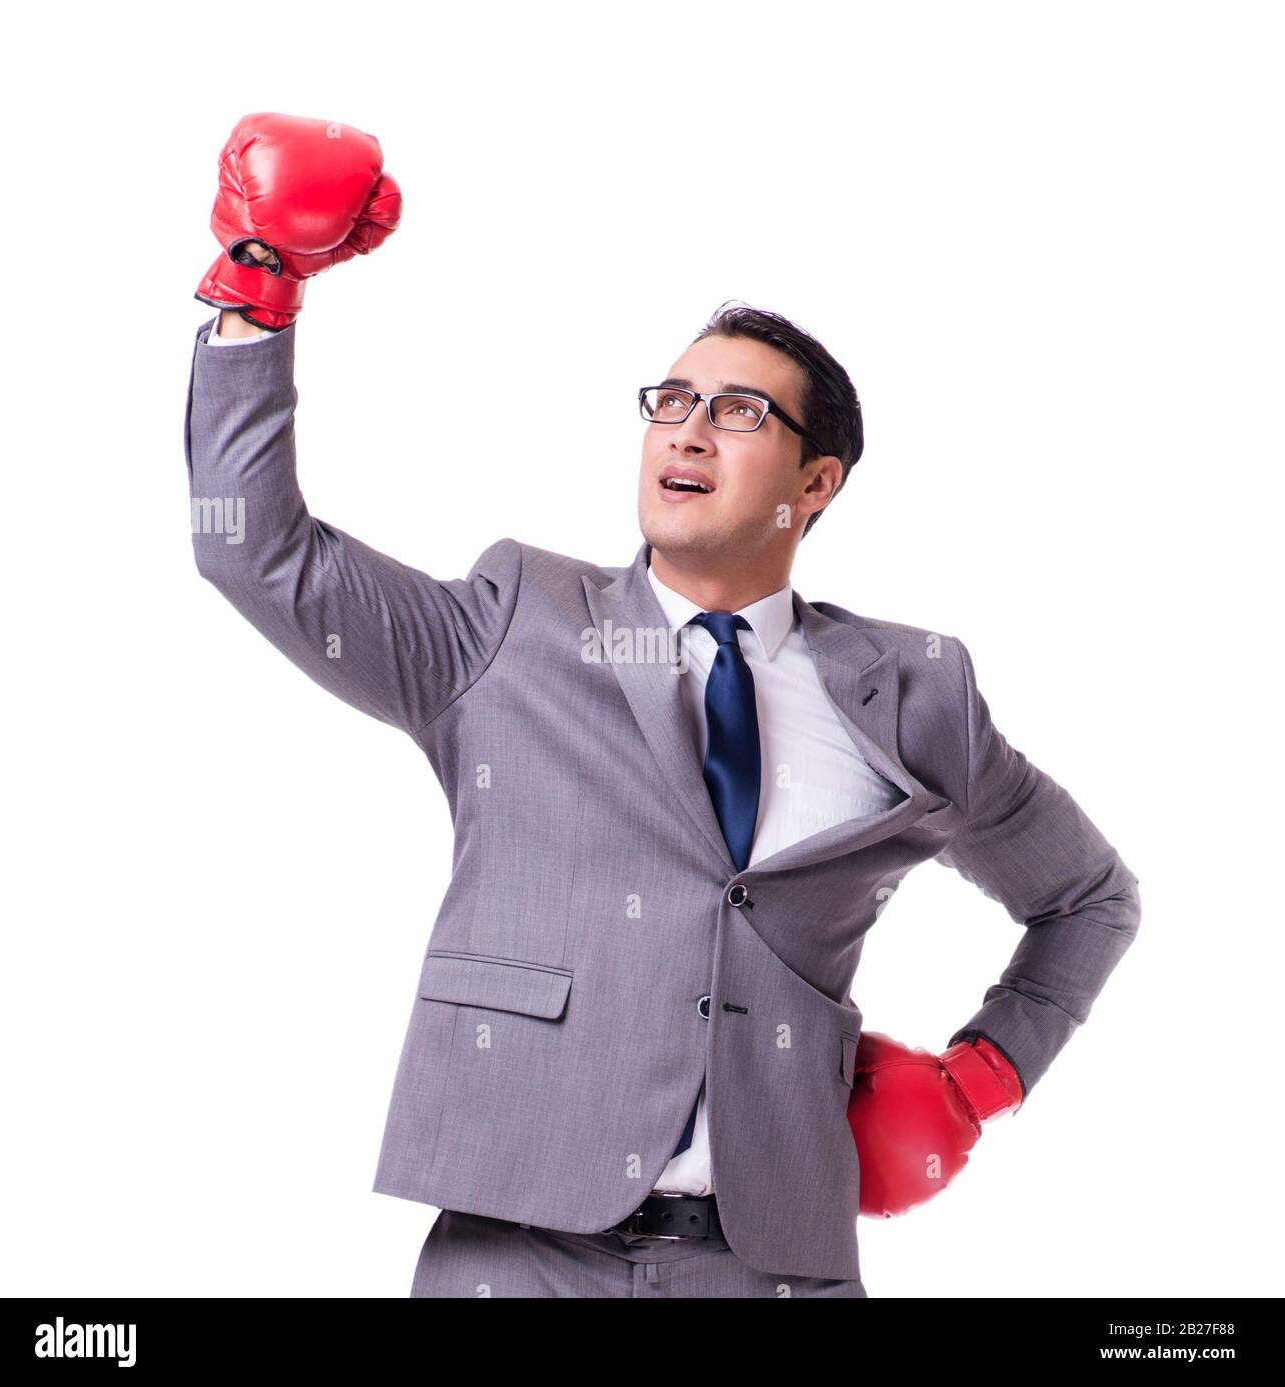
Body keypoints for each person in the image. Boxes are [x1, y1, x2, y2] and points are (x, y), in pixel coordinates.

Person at [186, 113, 1141, 1299]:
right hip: (518, 1255)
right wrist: (258, 285)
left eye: (739, 412)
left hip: (775, 1266)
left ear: (814, 481)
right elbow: (256, 559)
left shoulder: (913, 690)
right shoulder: (511, 621)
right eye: (671, 400)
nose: (687, 428)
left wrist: (978, 1079)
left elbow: (1088, 898)